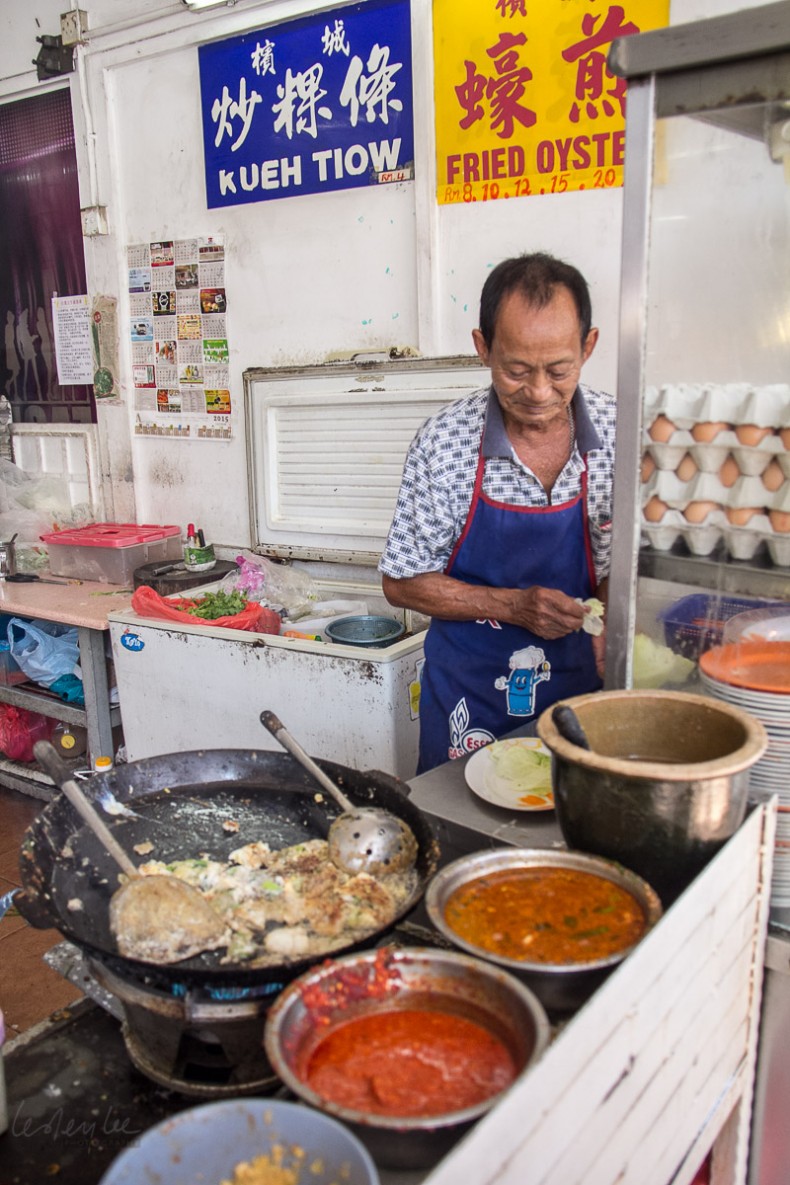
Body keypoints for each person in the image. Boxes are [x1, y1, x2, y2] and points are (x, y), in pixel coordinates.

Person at [378, 252, 616, 773]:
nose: (539, 392)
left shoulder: (621, 435)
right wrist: (512, 606)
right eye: (516, 370)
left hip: (586, 693)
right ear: (483, 347)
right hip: (470, 699)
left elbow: (635, 564)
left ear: (588, 346)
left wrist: (608, 612)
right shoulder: (444, 443)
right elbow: (402, 583)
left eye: (559, 370)